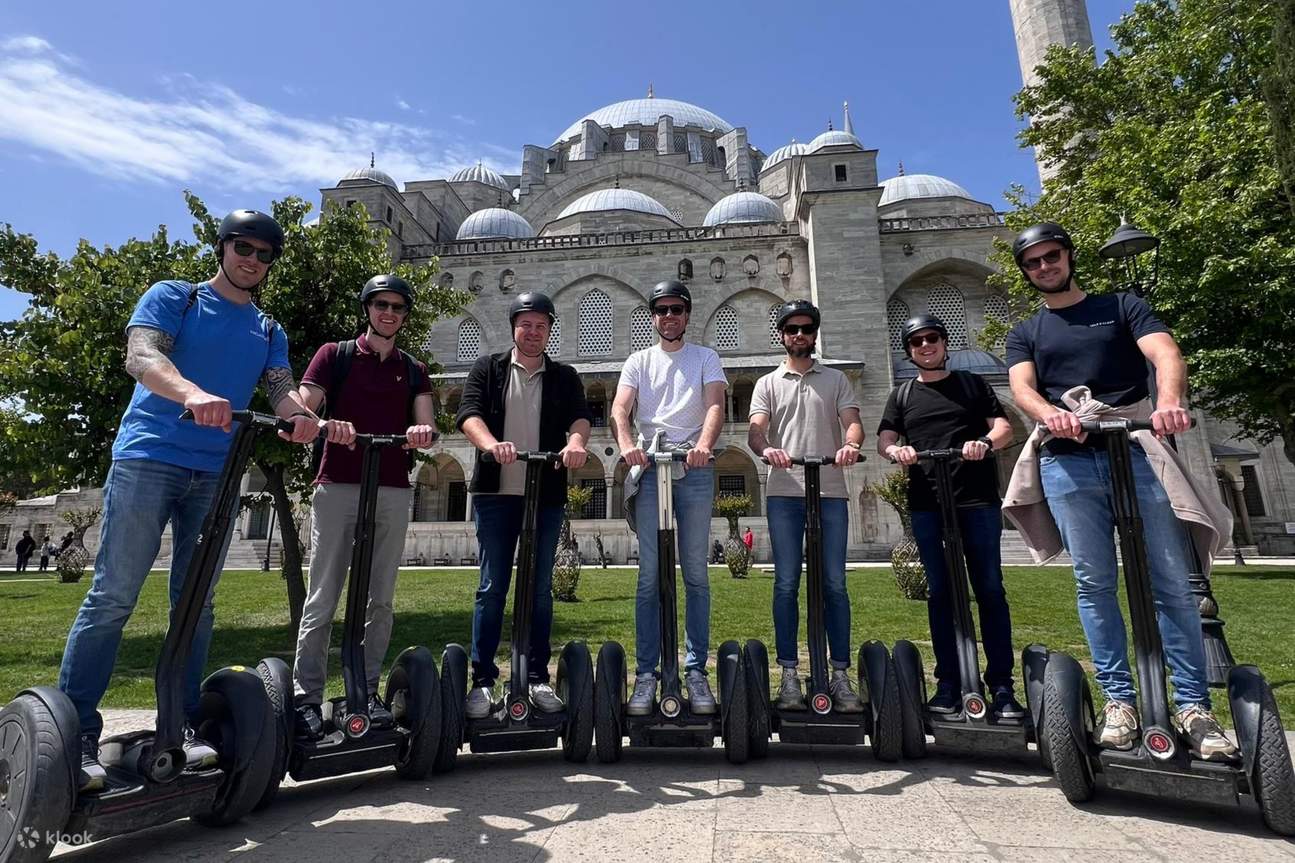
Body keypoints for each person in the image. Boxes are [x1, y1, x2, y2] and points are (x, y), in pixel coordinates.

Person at [58, 209, 321, 791]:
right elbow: (142, 356)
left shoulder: (268, 329)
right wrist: (194, 392)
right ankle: (76, 730)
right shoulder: (175, 297)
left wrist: (303, 420)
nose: (252, 260)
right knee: (114, 595)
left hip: (215, 473)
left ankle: (180, 727)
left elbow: (281, 390)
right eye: (243, 247)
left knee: (196, 603)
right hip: (149, 457)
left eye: (264, 254)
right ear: (223, 247)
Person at [1004, 222, 1236, 761]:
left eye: (1051, 257)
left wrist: (1169, 401)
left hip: (1135, 446)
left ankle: (1194, 706)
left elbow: (1165, 355)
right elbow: (1022, 388)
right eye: (1033, 263)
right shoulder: (1028, 331)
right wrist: (1052, 417)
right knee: (1094, 582)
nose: (1044, 267)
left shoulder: (1123, 305)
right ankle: (1119, 701)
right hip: (1070, 460)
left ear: (1068, 256)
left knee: (1171, 582)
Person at [290, 274, 438, 738]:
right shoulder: (335, 355)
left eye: (396, 306)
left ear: (404, 315)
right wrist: (321, 421)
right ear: (368, 309)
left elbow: (427, 427)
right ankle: (306, 696)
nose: (388, 313)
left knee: (381, 599)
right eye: (380, 305)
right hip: (339, 483)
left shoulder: (414, 368)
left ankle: (366, 690)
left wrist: (420, 434)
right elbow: (302, 405)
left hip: (392, 486)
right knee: (323, 595)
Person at [876, 314, 1024, 719]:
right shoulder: (903, 395)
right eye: (918, 341)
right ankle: (949, 682)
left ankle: (1002, 686)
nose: (926, 346)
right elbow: (886, 438)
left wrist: (983, 442)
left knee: (990, 591)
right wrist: (896, 452)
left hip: (975, 501)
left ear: (945, 342)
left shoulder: (972, 385)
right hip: (927, 503)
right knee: (940, 594)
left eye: (932, 339)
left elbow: (1003, 429)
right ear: (909, 349)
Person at [456, 291, 591, 719]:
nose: (533, 333)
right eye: (525, 325)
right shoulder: (489, 368)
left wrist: (575, 443)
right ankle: (482, 681)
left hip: (545, 493)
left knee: (539, 589)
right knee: (493, 586)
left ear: (550, 329)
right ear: (513, 327)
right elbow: (469, 415)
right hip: (497, 495)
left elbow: (580, 417)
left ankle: (536, 677)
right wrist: (492, 445)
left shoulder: (564, 376)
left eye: (541, 325)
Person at [611, 279, 727, 716]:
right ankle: (646, 673)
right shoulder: (639, 361)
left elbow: (715, 404)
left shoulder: (705, 358)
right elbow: (621, 409)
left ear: (687, 314)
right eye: (661, 310)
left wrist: (704, 444)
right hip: (651, 465)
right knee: (649, 576)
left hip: (693, 469)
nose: (669, 316)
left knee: (695, 572)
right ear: (653, 316)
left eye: (677, 309)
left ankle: (695, 670)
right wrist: (626, 444)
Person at [749, 299, 866, 712]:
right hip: (785, 491)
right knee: (785, 581)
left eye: (806, 328)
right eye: (792, 329)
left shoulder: (835, 379)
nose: (799, 335)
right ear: (782, 335)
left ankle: (838, 673)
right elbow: (756, 432)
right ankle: (789, 673)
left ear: (815, 334)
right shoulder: (768, 382)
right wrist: (768, 451)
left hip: (829, 490)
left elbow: (852, 420)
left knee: (834, 581)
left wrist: (851, 444)